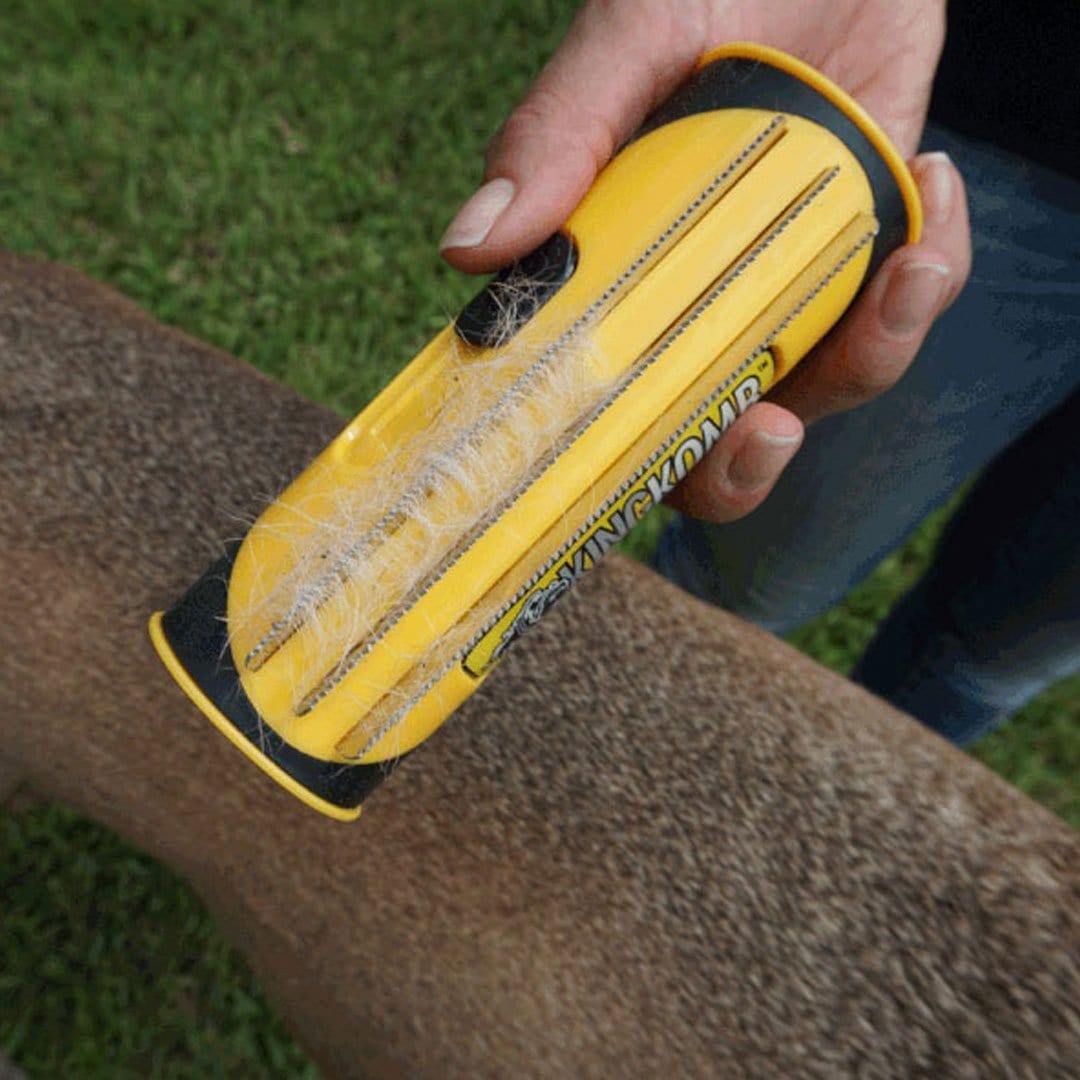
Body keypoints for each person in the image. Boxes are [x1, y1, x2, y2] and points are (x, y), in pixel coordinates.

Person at [438, 0, 1079, 746]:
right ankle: (562, 744)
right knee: (752, 567)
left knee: (993, 654)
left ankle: (852, 826)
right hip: (1002, 120)